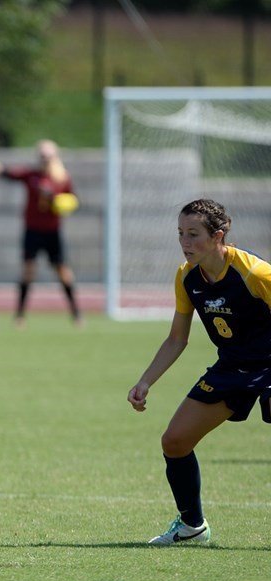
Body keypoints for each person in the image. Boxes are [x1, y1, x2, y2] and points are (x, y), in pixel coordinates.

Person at [128, 198, 271, 545]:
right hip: (231, 368)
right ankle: (192, 526)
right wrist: (146, 381)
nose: (185, 242)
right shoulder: (186, 276)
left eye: (193, 234)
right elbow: (177, 339)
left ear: (218, 235)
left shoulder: (255, 273)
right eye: (180, 233)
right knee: (174, 441)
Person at [0, 139, 82, 326]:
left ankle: (76, 314)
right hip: (32, 231)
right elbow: (7, 172)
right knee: (27, 272)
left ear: (55, 156)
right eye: (41, 155)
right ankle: (20, 315)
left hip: (52, 232)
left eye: (48, 155)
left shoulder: (62, 178)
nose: (44, 159)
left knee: (62, 271)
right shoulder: (31, 175)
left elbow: (73, 200)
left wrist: (61, 203)